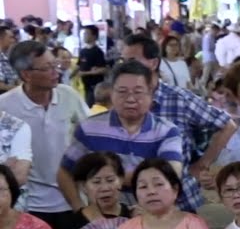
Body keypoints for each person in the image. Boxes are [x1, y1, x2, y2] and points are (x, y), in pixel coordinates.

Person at [119, 33, 236, 212]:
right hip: (135, 205)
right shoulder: (121, 101)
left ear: (153, 63)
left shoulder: (179, 99)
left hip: (181, 202)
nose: (125, 67)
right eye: (123, 61)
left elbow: (227, 125)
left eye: (132, 60)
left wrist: (202, 164)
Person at [58, 61, 185, 205]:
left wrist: (101, 177)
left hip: (151, 216)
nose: (130, 99)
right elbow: (64, 172)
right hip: (103, 220)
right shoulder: (89, 128)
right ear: (111, 93)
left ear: (151, 93)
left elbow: (171, 174)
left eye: (138, 92)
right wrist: (80, 210)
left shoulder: (167, 131)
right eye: (122, 92)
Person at [0, 40, 89, 228]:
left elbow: (89, 134)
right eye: (47, 68)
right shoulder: (5, 106)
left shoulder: (69, 96)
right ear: (26, 75)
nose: (56, 72)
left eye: (55, 64)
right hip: (28, 204)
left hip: (73, 198)